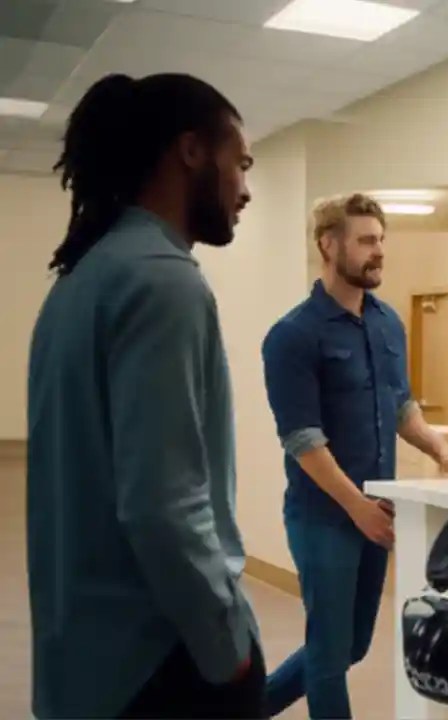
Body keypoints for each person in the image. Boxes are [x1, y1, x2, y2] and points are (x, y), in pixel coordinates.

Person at [26, 73, 264, 719]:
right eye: (239, 163)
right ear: (191, 151)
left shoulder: (82, 278)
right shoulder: (164, 282)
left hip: (85, 665)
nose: (244, 189)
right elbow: (164, 504)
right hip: (160, 661)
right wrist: (229, 648)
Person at [261, 193, 448, 718]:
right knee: (330, 657)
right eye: (366, 241)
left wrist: (444, 451)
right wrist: (356, 506)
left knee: (351, 646)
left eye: (381, 240)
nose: (379, 252)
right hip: (324, 517)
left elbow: (401, 407)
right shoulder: (293, 335)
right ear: (328, 245)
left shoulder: (386, 323)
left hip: (376, 516)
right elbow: (303, 439)